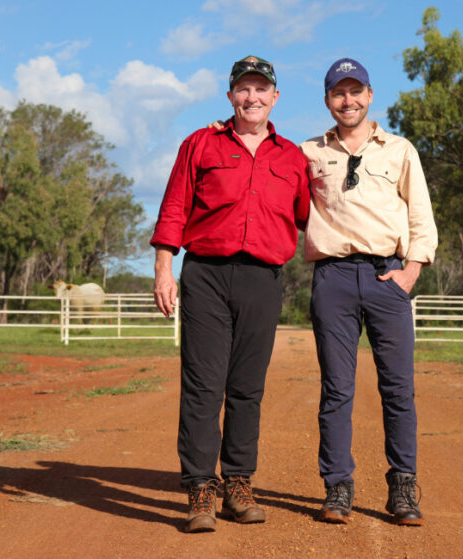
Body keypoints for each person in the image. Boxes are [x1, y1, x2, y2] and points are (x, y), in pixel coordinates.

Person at [150, 55, 310, 533]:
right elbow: (174, 205)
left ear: (275, 97)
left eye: (262, 89)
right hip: (206, 275)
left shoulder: (293, 157)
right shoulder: (200, 143)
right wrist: (164, 269)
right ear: (230, 96)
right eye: (243, 89)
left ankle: (238, 482)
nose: (252, 97)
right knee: (203, 384)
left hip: (263, 278)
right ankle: (201, 487)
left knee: (247, 387)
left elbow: (308, 217)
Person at [301, 58, 438, 526]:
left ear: (370, 95)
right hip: (333, 279)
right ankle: (337, 486)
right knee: (336, 389)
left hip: (387, 278)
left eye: (356, 91)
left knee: (398, 389)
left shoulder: (399, 150)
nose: (348, 100)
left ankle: (402, 487)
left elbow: (421, 214)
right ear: (327, 101)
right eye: (339, 93)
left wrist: (411, 270)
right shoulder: (308, 153)